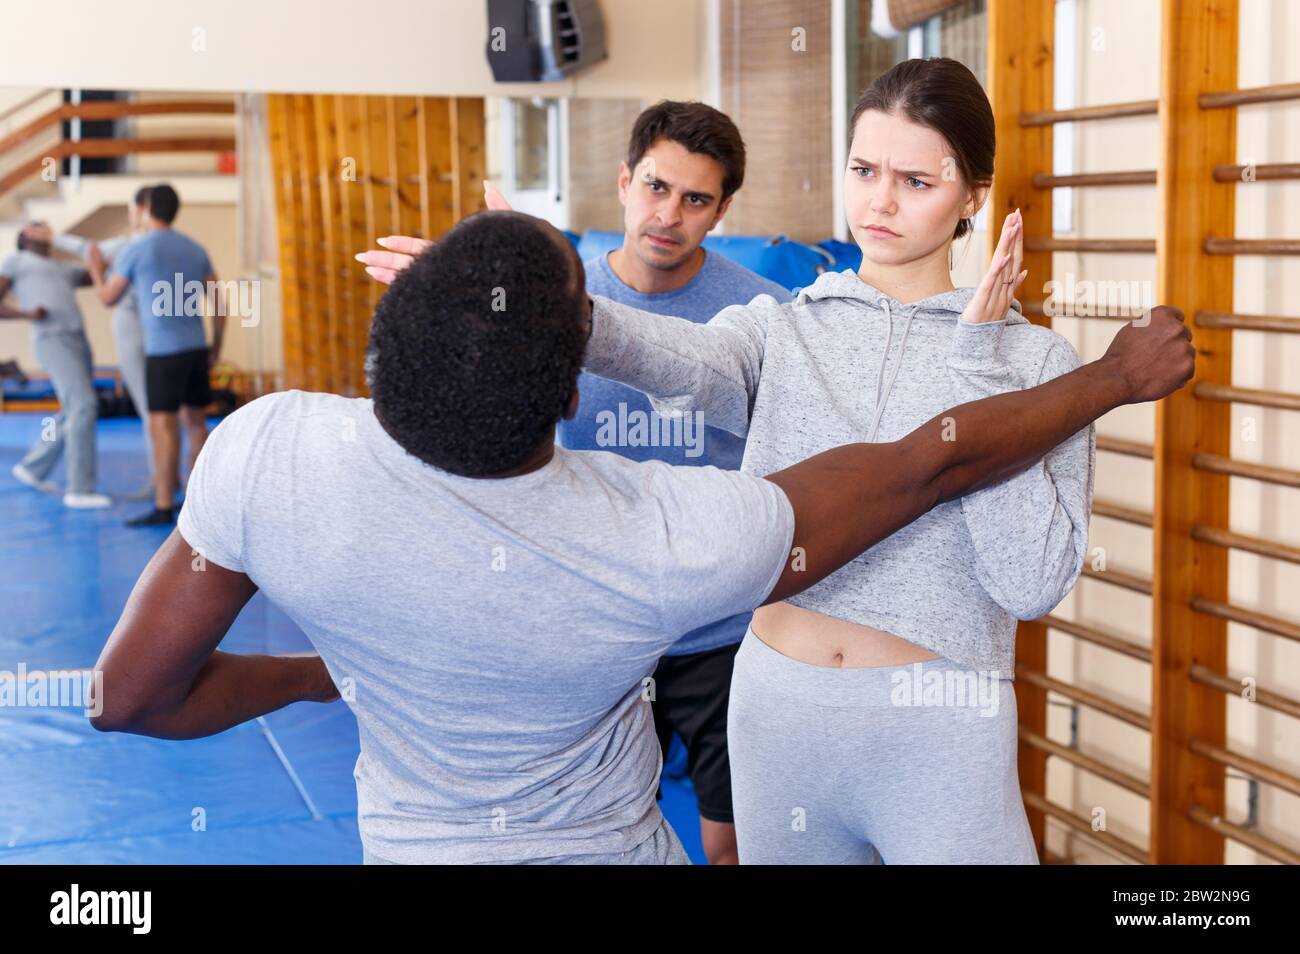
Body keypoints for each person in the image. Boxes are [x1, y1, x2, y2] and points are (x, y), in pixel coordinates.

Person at [90, 209, 1192, 866]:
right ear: (572, 386)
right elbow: (928, 465)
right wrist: (1115, 375)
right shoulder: (662, 538)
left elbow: (127, 699)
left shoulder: (266, 448)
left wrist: (324, 676)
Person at [457, 57, 1099, 863]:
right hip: (777, 715)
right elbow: (669, 356)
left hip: (937, 728)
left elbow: (1031, 583)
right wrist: (545, 304)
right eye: (864, 170)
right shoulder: (782, 328)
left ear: (973, 194)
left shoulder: (1035, 363)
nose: (881, 202)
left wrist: (978, 367)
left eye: (916, 181)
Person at [553, 101, 791, 865]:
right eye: (656, 187)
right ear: (624, 181)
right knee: (600, 843)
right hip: (603, 625)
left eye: (695, 199)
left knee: (736, 850)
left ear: (722, 210)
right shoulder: (559, 307)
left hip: (725, 628)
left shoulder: (764, 315)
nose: (668, 215)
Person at [87, 183, 225, 527]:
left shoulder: (137, 249)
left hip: (163, 352)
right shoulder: (195, 249)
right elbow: (219, 302)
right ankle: (197, 506)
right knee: (196, 424)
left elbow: (108, 297)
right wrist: (216, 345)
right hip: (195, 347)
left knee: (162, 425)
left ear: (146, 207)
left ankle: (165, 506)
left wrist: (94, 268)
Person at [0, 221, 112, 508]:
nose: (42, 227)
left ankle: (32, 467)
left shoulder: (63, 268)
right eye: (35, 225)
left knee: (74, 408)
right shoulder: (16, 261)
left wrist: (61, 238)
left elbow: (99, 266)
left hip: (78, 339)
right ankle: (79, 489)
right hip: (51, 339)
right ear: (24, 236)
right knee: (84, 404)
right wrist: (25, 313)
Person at [55, 185, 156, 500]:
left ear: (140, 208)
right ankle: (167, 477)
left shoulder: (130, 245)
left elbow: (91, 253)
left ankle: (161, 481)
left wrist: (55, 240)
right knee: (162, 410)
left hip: (134, 332)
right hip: (158, 333)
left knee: (150, 409)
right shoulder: (166, 244)